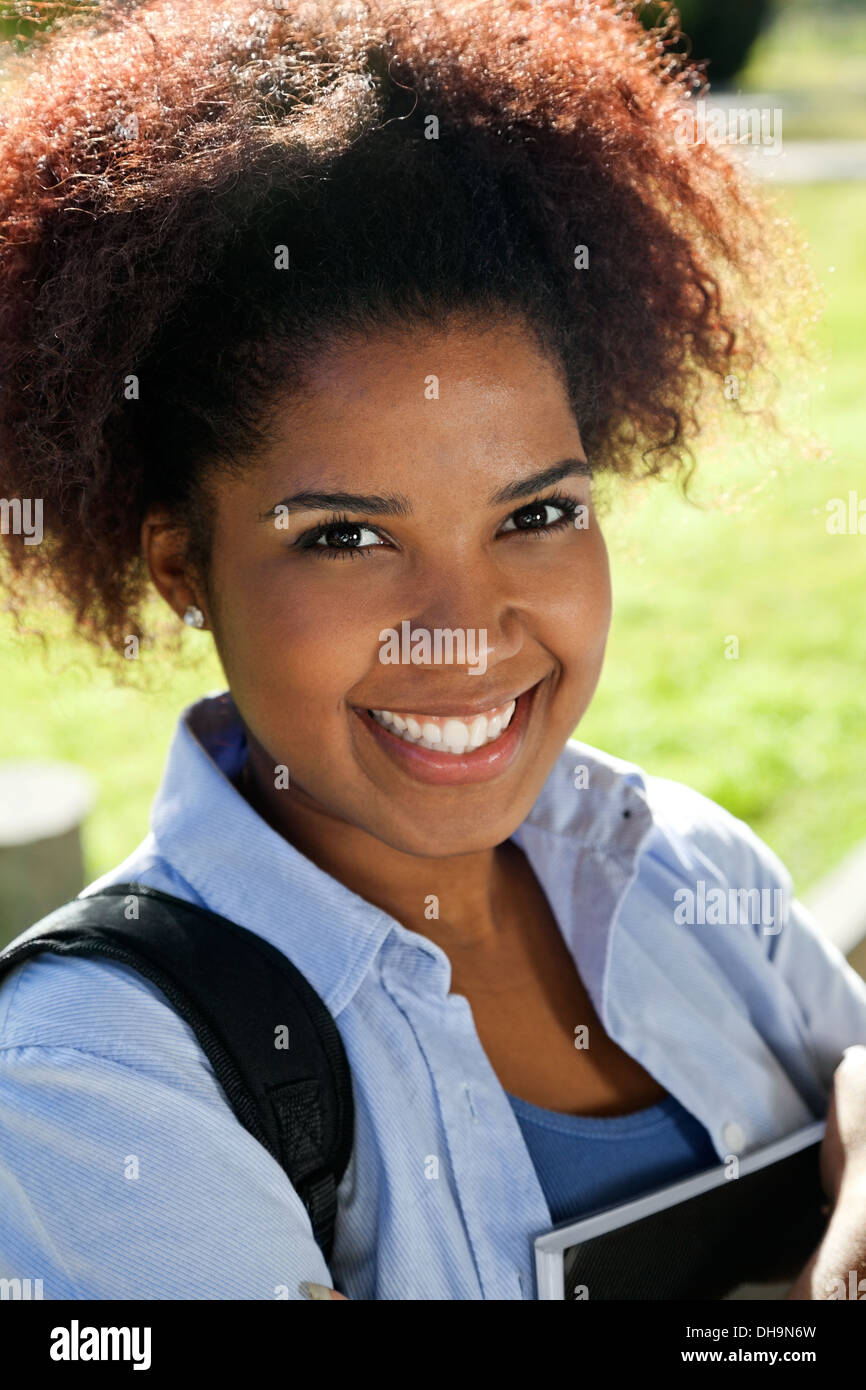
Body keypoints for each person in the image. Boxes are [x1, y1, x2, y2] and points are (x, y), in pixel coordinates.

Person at [0, 0, 864, 1302]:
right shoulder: (90, 1074)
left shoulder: (677, 862)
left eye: (535, 513)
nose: (464, 626)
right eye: (347, 535)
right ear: (183, 563)